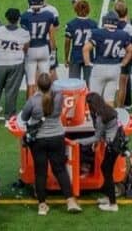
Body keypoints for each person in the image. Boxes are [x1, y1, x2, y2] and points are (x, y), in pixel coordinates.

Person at [20, 72, 78, 215]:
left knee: (40, 173)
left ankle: (42, 205)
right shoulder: (58, 97)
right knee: (60, 170)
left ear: (38, 86)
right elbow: (59, 88)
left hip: (38, 140)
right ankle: (70, 201)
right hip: (57, 137)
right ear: (51, 85)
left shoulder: (33, 101)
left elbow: (23, 117)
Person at [85, 92, 128, 212]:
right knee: (105, 168)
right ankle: (109, 197)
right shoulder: (107, 110)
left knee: (106, 170)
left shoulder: (100, 115)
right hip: (117, 142)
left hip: (113, 145)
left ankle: (113, 204)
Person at [0, 7, 29, 117]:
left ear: (7, 17)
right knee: (11, 91)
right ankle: (9, 115)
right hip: (16, 63)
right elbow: (26, 48)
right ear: (18, 19)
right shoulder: (24, 33)